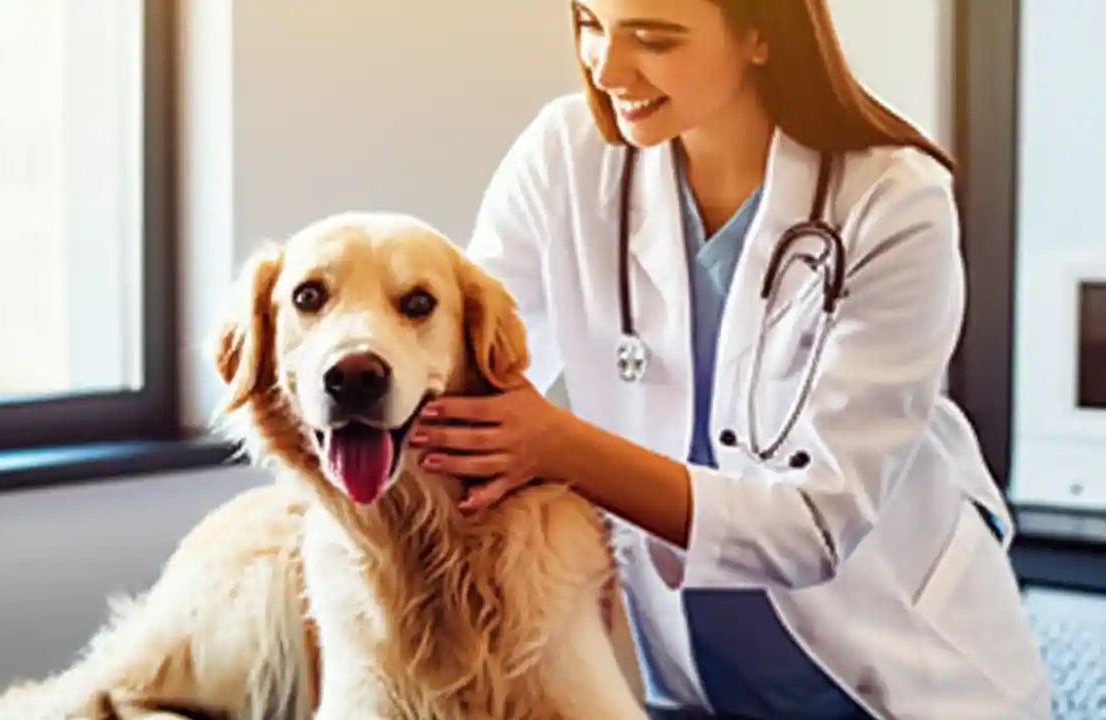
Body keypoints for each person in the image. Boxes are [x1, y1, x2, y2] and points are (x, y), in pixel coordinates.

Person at [407, 0, 1052, 718]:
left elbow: (814, 524)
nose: (606, 66)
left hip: (895, 677)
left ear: (760, 37)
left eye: (653, 38)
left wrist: (562, 447)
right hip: (687, 681)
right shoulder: (564, 155)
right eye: (590, 22)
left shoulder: (894, 202)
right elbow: (468, 361)